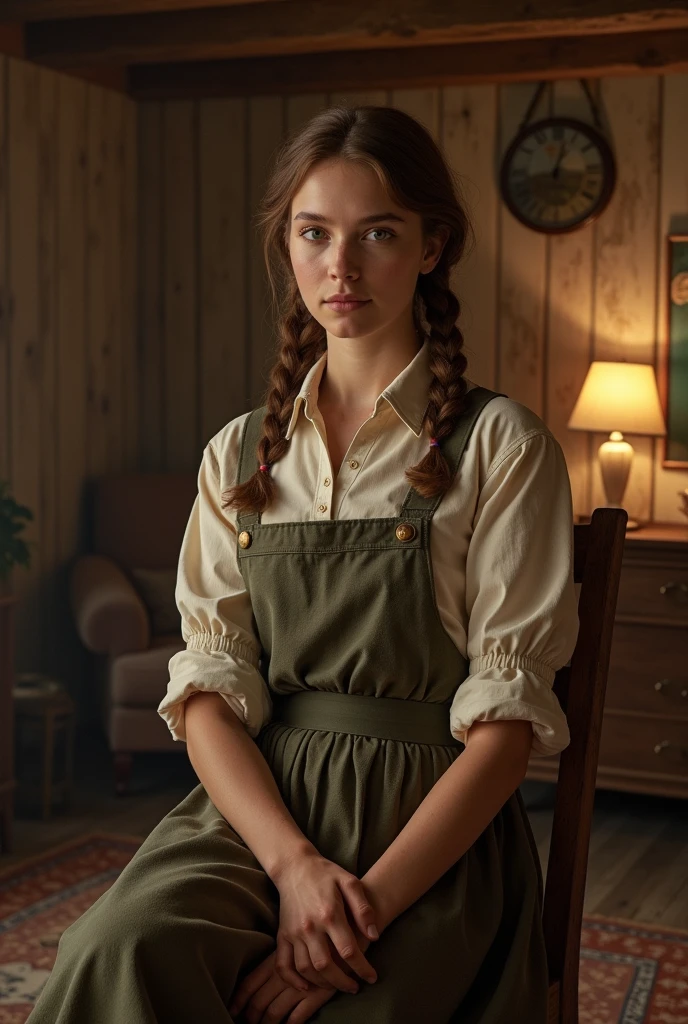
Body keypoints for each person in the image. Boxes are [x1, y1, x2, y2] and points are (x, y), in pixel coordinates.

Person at [27, 104, 579, 1024]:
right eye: (314, 232)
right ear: (287, 244)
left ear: (432, 247)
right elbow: (206, 693)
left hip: (426, 834)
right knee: (113, 951)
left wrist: (354, 917)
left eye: (380, 234)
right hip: (257, 816)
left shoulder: (501, 447)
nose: (342, 266)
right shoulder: (237, 457)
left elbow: (506, 732)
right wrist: (291, 869)